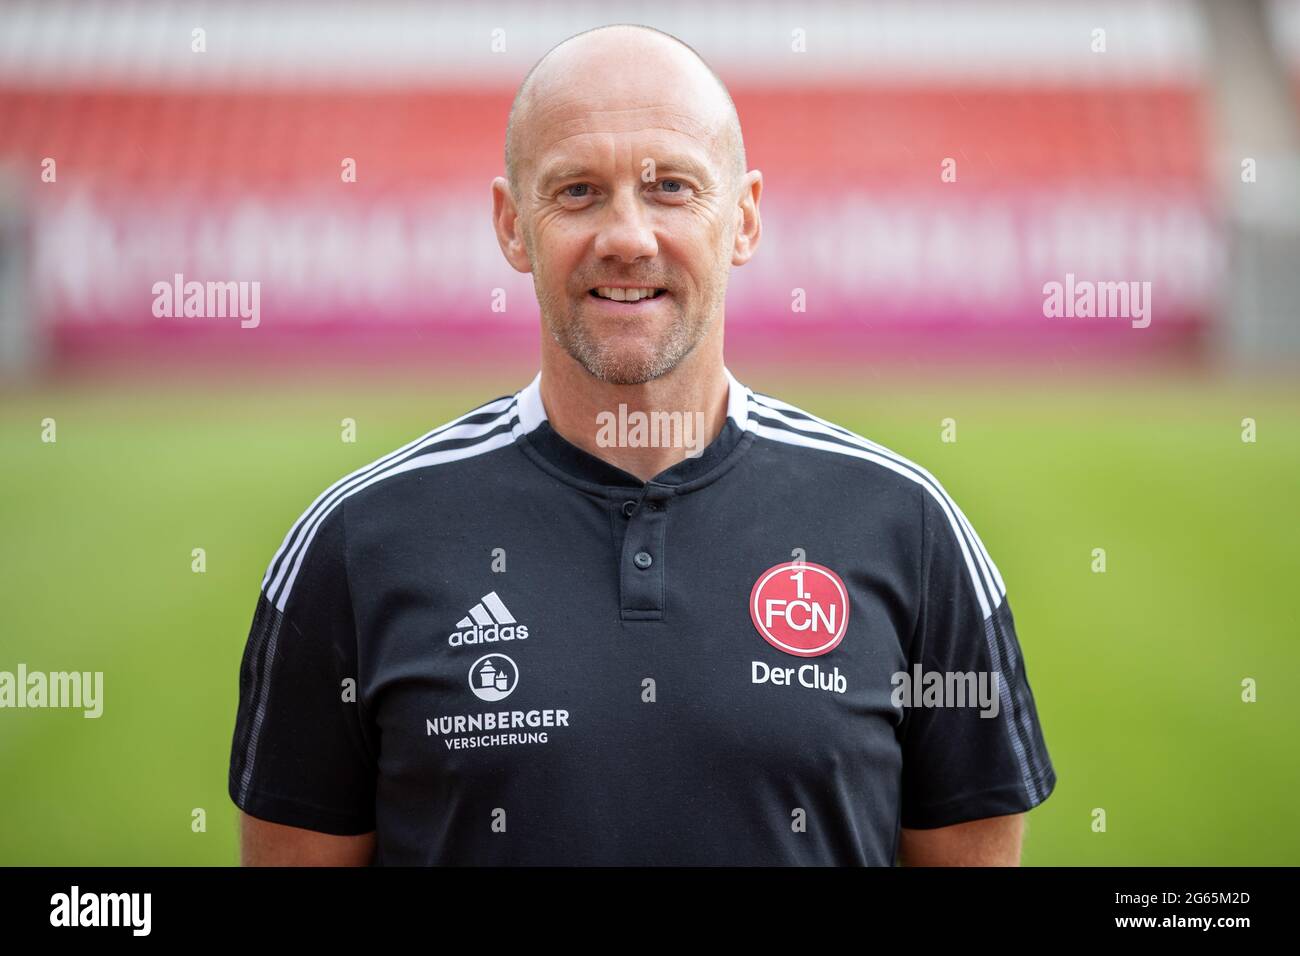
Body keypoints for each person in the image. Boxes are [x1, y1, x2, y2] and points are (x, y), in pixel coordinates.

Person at [229, 23, 1055, 866]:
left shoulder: (910, 527)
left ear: (743, 219)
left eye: (670, 187)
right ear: (513, 226)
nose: (627, 236)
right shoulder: (356, 544)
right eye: (578, 191)